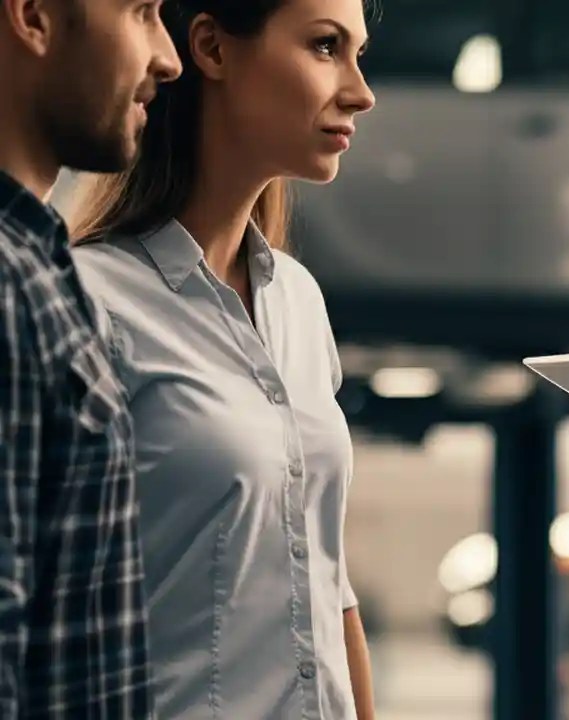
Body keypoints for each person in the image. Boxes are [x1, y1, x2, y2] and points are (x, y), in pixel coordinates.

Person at [65, 0, 376, 716]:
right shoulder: (88, 304)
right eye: (326, 46)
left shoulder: (297, 299)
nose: (361, 91)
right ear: (209, 47)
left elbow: (331, 589)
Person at [0, 0, 180, 715]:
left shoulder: (37, 265)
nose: (166, 57)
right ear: (36, 15)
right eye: (141, 11)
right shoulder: (8, 286)